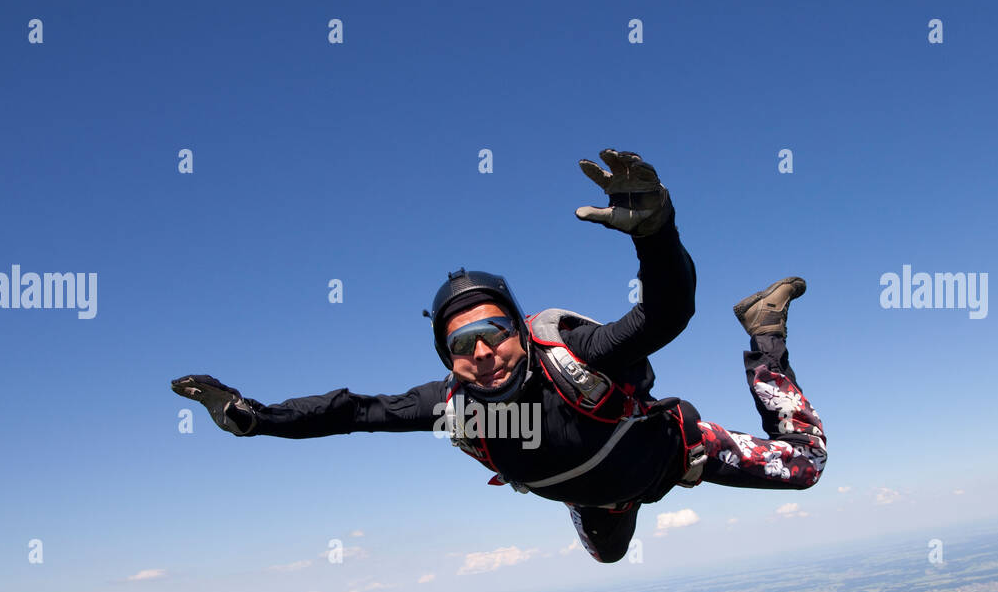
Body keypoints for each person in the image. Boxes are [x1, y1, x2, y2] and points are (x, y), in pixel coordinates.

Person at [172, 149, 827, 563]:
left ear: (520, 330)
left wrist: (658, 233)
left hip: (679, 450)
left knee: (806, 465)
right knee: (608, 553)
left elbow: (665, 313)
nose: (483, 351)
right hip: (602, 491)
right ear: (448, 359)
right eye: (462, 344)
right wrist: (249, 416)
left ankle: (765, 332)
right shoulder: (453, 409)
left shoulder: (576, 359)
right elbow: (351, 412)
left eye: (495, 332)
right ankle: (595, 503)